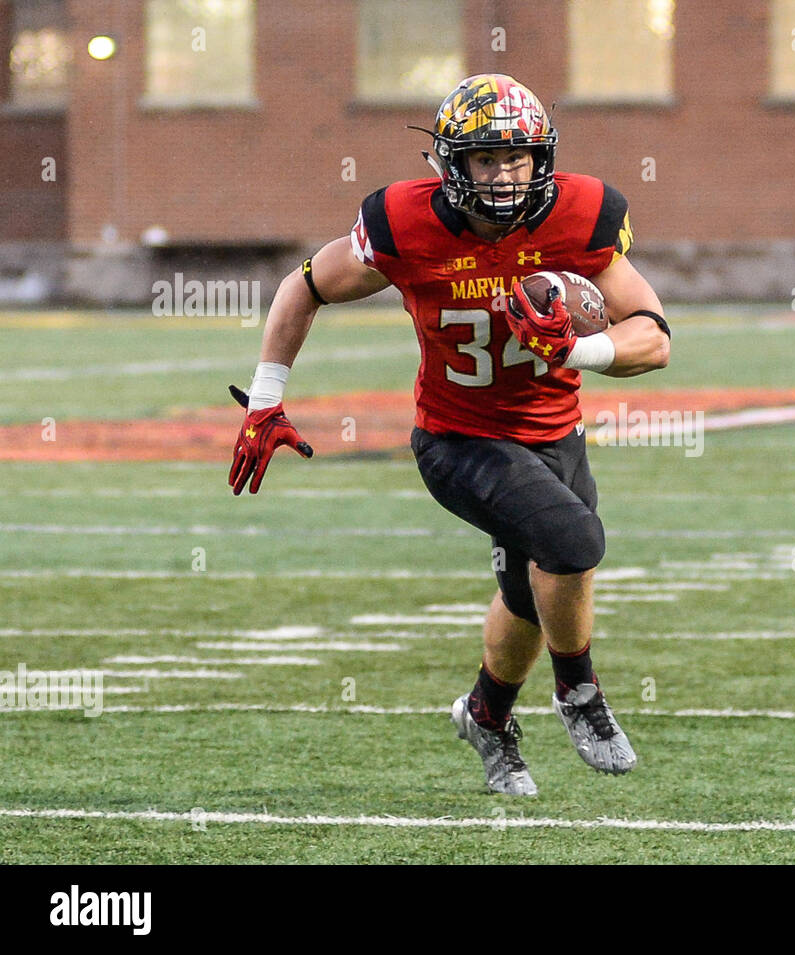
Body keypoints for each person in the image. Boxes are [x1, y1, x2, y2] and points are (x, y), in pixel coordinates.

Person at [227, 74, 670, 796]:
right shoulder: (405, 223)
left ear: (542, 159)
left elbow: (653, 338)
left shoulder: (581, 216)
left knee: (534, 594)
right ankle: (580, 695)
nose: (504, 176)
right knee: (574, 544)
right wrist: (266, 398)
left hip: (554, 433)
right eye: (486, 160)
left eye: (517, 158)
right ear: (450, 165)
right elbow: (303, 285)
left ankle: (486, 716)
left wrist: (576, 348)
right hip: (457, 438)